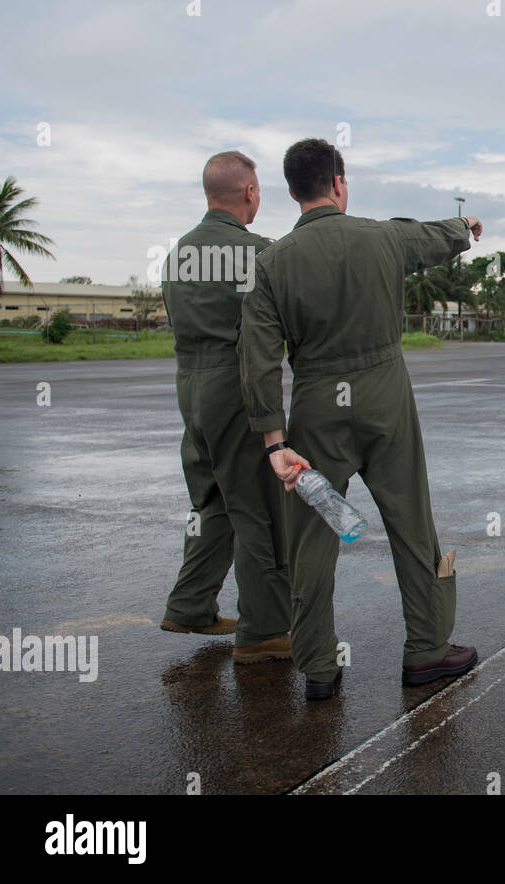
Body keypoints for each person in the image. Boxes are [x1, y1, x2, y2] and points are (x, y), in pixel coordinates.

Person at [238, 138, 480, 700]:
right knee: (411, 522)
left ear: (293, 191)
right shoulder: (384, 237)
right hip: (385, 395)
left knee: (313, 536)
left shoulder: (271, 263)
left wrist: (275, 443)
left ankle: (319, 666)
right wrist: (464, 226)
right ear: (338, 183)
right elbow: (436, 236)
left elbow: (258, 358)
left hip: (319, 405)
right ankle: (426, 649)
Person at [159, 151, 292, 665]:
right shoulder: (259, 251)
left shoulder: (177, 254)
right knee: (257, 507)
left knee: (212, 500)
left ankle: (190, 605)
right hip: (233, 387)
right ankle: (265, 630)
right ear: (250, 193)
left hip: (189, 388)